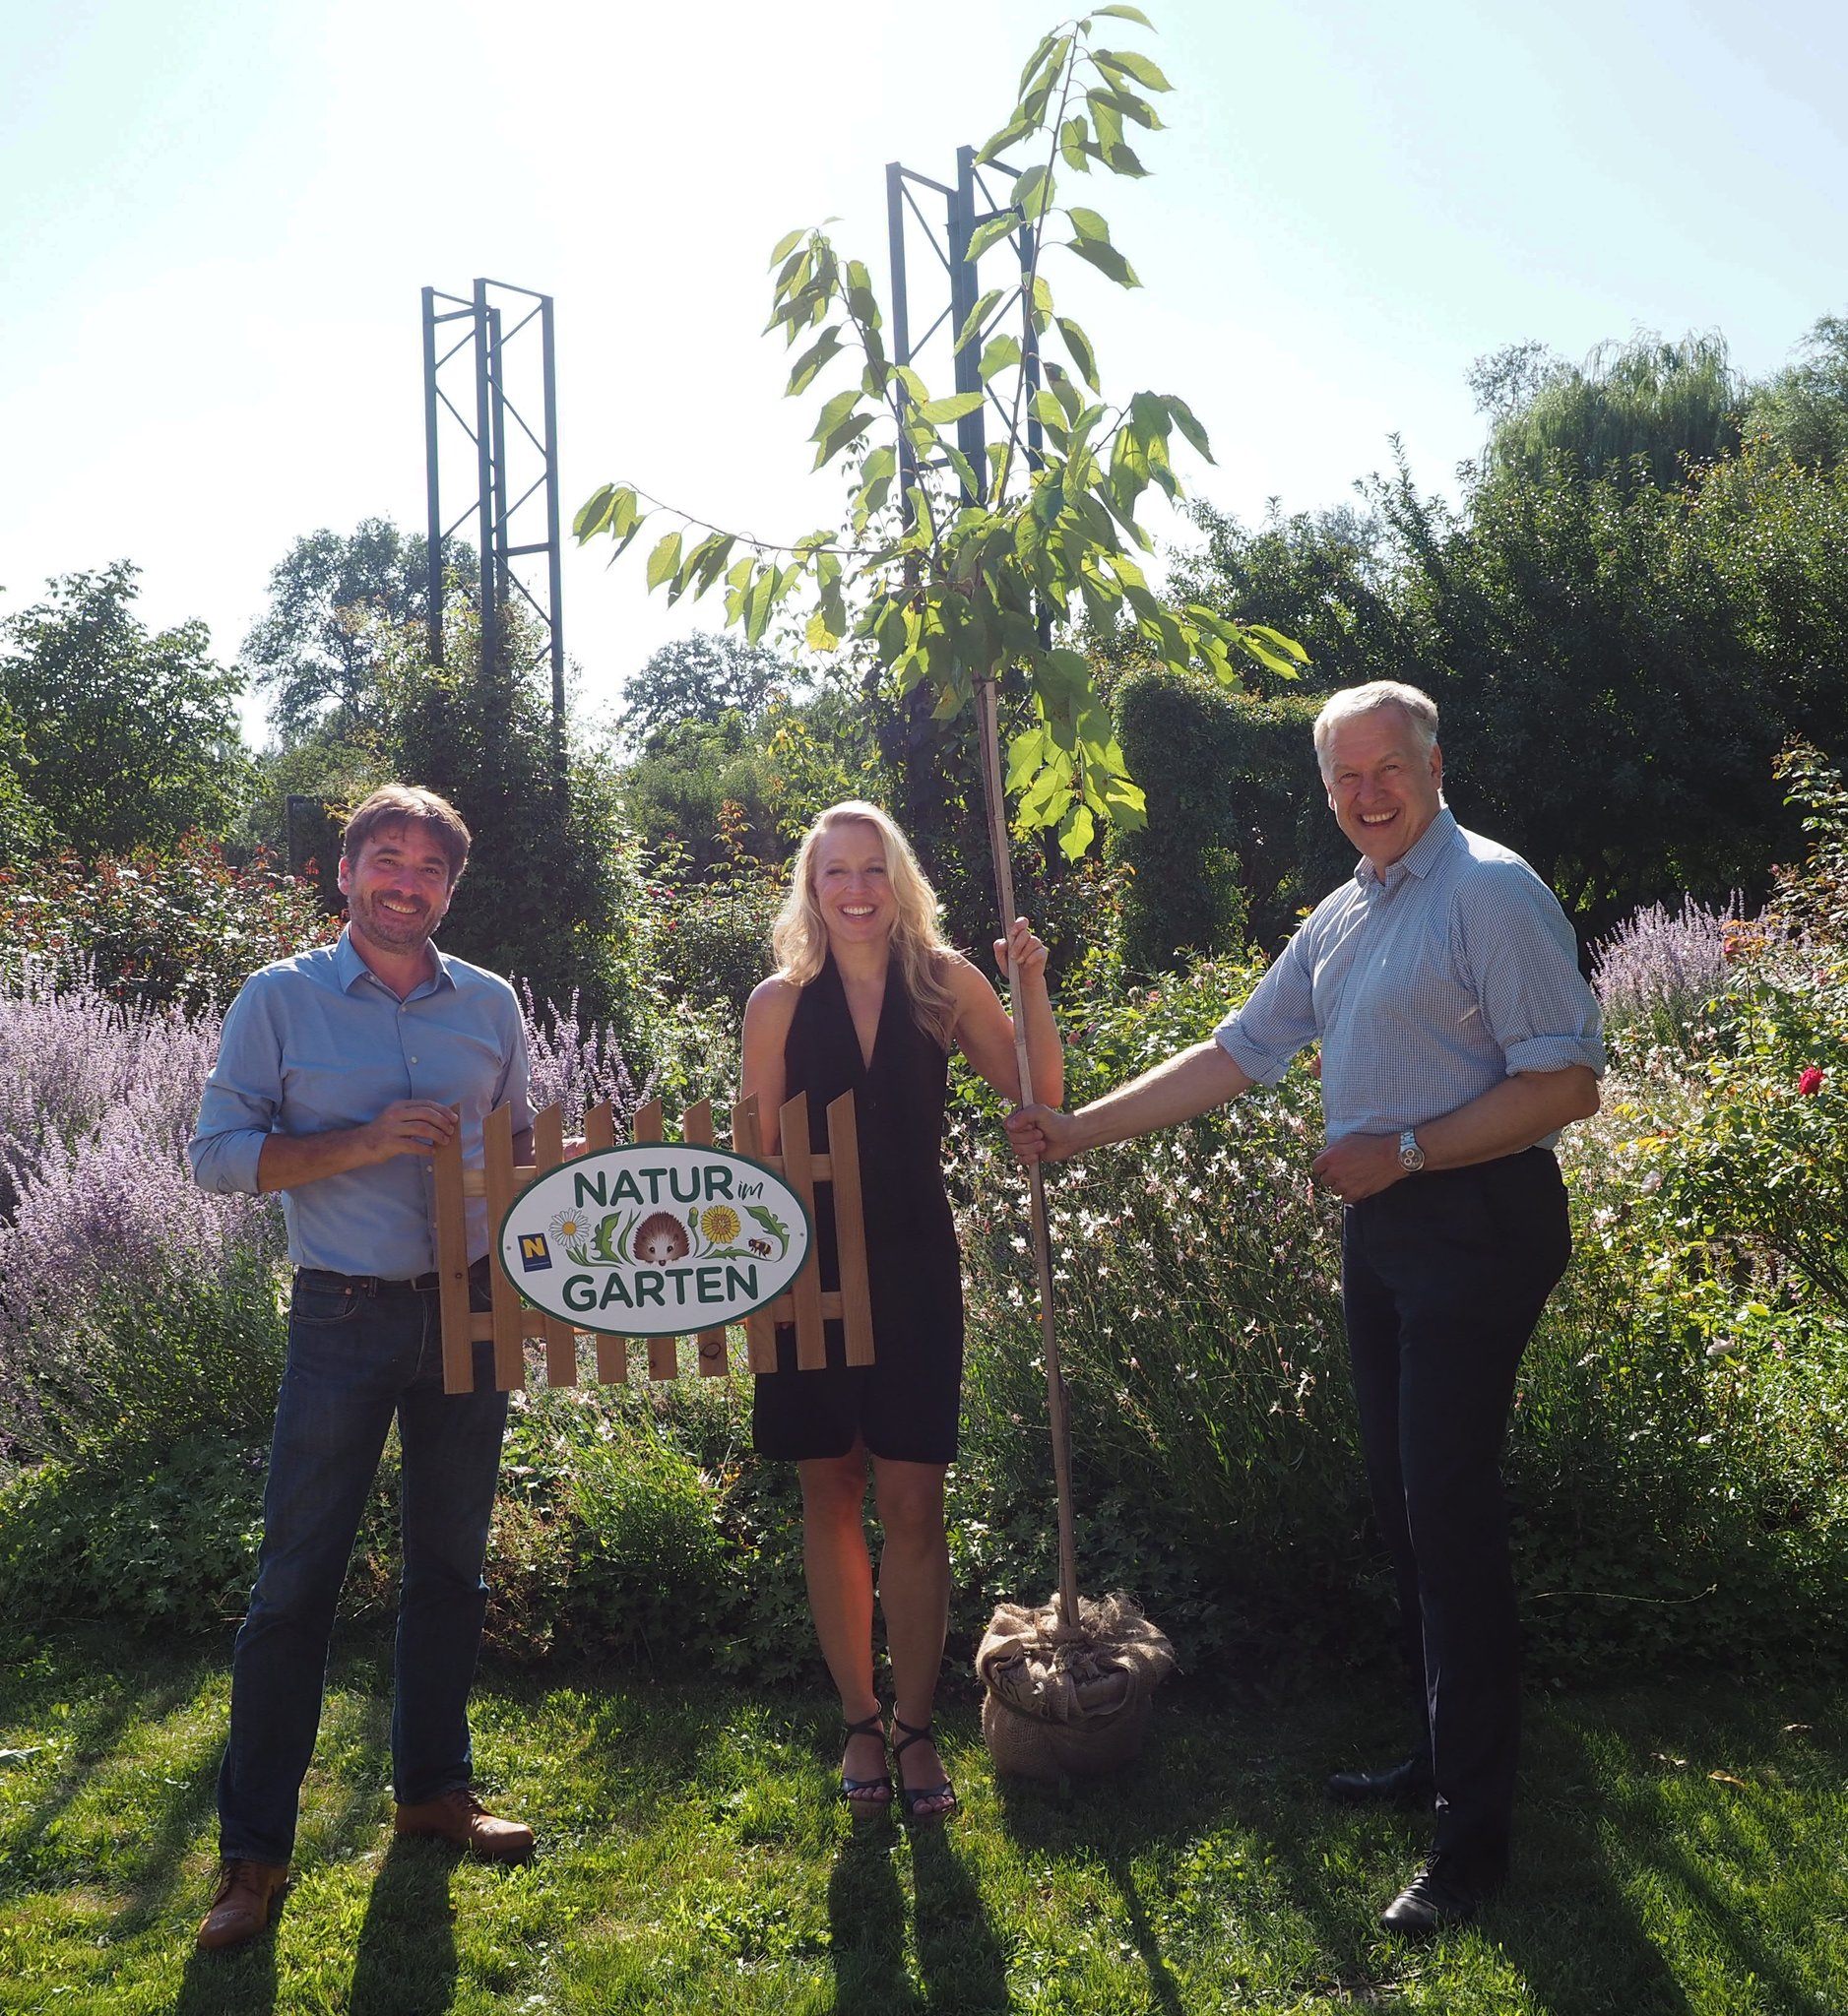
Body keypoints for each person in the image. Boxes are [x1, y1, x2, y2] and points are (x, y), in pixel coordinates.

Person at [1005, 683, 1603, 1933]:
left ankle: (1474, 1838)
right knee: (1403, 1509)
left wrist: (1409, 1153)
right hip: (1387, 1226)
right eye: (1344, 777)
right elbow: (1236, 1049)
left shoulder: (1489, 890)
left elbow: (1563, 1082)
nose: (1366, 793)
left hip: (1475, 1218)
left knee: (1445, 1510)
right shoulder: (1344, 912)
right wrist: (1075, 1129)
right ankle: (1441, 1761)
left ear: (1434, 764)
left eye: (1386, 768)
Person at [187, 786, 537, 1954]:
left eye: (428, 867)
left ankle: (434, 1788)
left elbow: (521, 1147)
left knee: (450, 1566)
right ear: (343, 872)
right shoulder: (277, 999)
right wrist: (362, 1141)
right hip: (341, 1313)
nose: (405, 881)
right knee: (294, 1584)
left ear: (450, 887)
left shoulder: (488, 1003)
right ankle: (254, 1854)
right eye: (384, 859)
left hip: (472, 1306)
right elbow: (218, 1155)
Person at [743, 800, 1062, 1823]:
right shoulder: (778, 1002)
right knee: (829, 1494)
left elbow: (1036, 1093)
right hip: (800, 1271)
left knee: (914, 1503)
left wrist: (1030, 986)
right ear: (810, 887)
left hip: (916, 1269)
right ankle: (856, 1717)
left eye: (871, 868)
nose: (854, 889)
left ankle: (917, 1727)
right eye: (833, 871)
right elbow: (751, 1162)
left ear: (899, 878)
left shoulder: (944, 983)